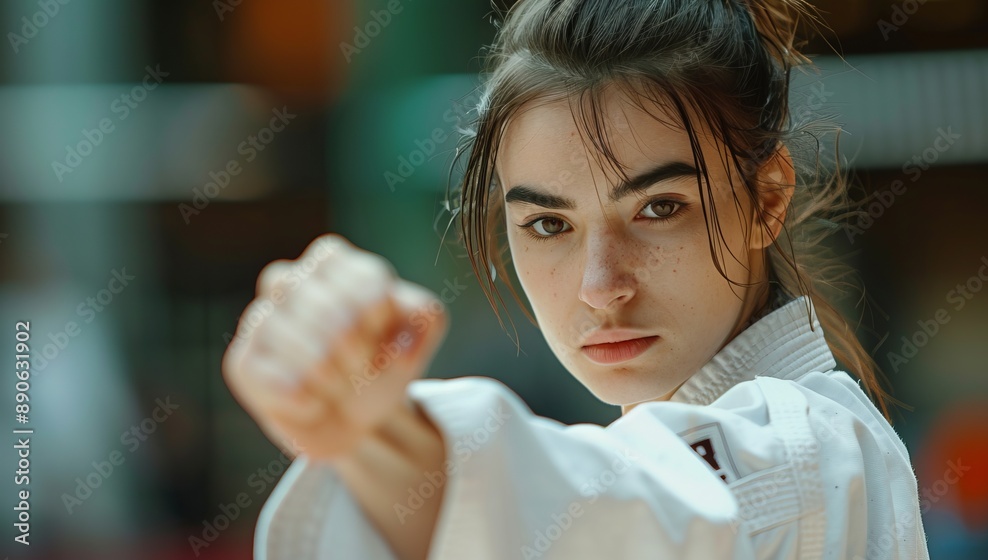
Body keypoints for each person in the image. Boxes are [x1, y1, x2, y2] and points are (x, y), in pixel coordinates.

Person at [222, 0, 931, 558]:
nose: (601, 285)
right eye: (549, 225)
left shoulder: (808, 446)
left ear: (768, 198)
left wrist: (379, 435)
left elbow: (640, 516)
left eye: (659, 209)